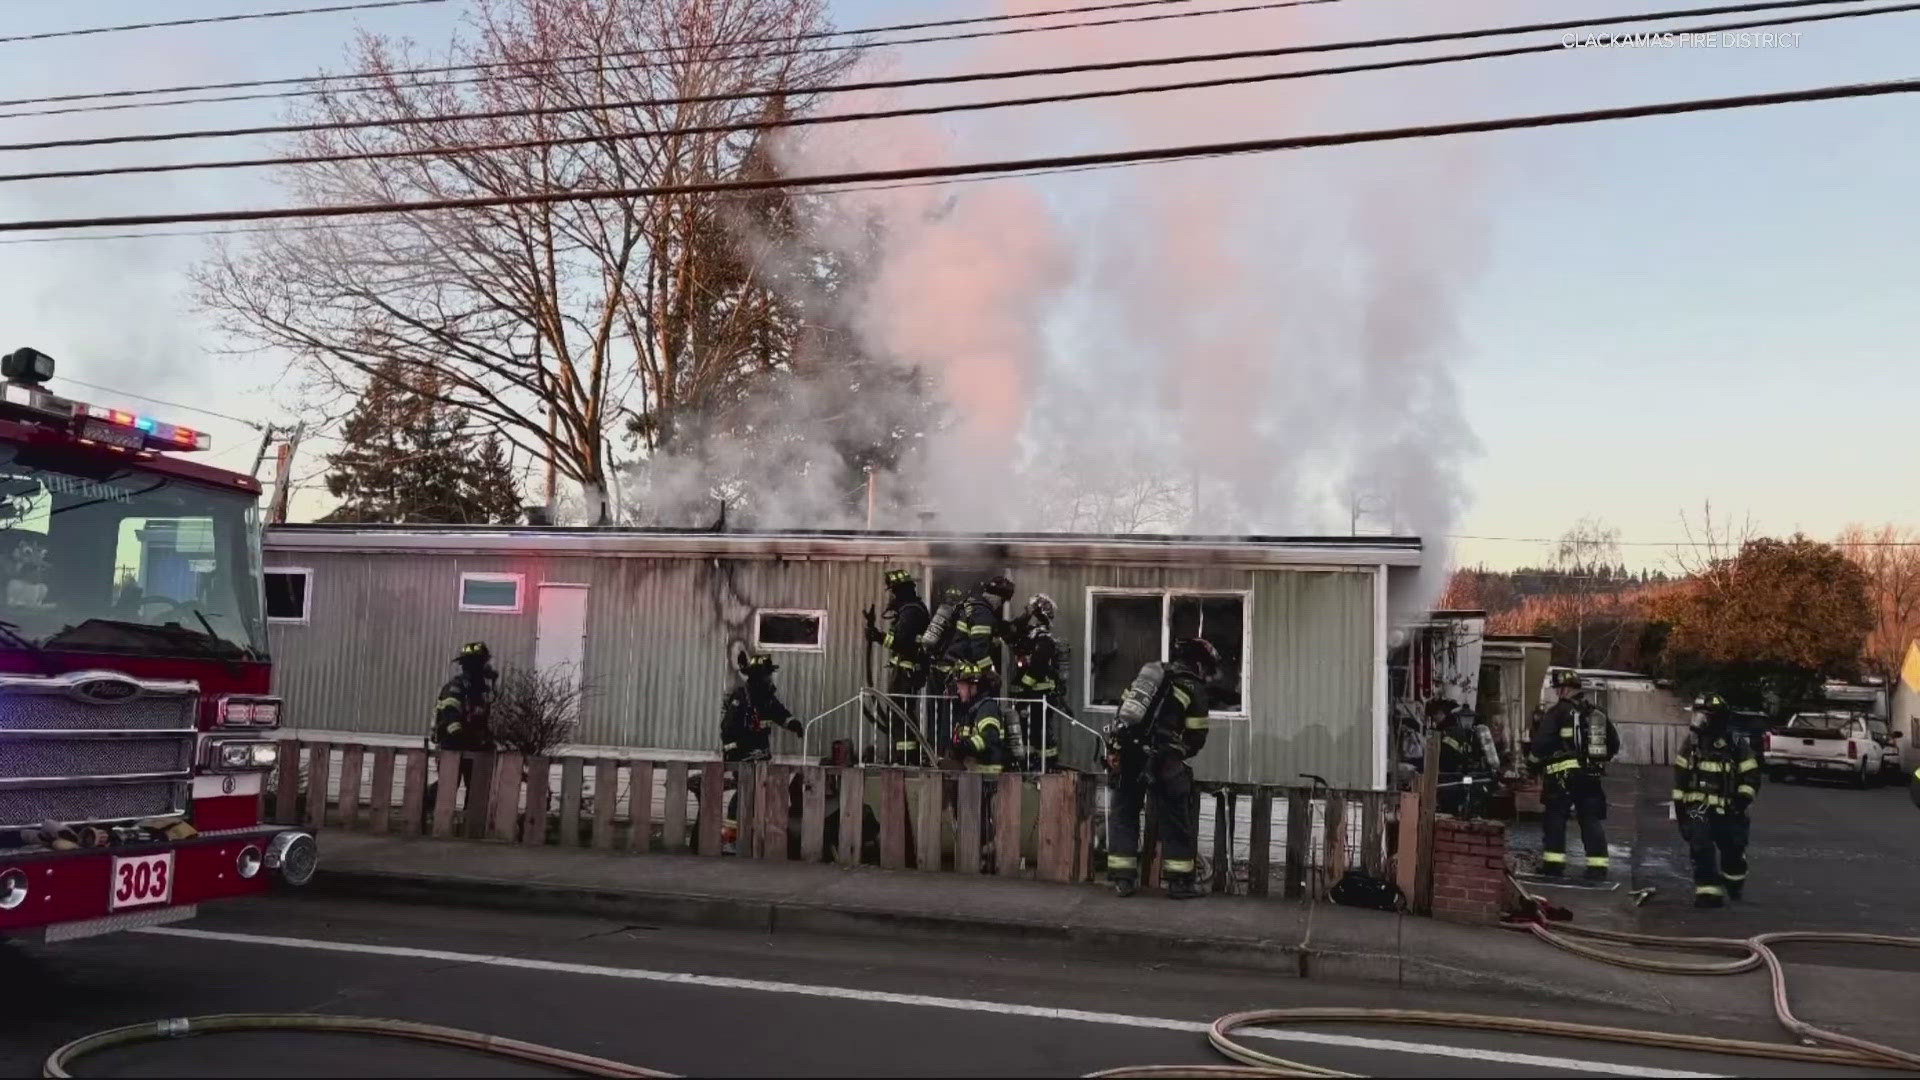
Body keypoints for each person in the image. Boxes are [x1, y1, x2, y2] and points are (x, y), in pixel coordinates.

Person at [1104, 638, 1217, 900]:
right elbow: (1197, 736)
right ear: (1199, 664)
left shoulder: (1148, 678)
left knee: (1124, 814)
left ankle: (1123, 880)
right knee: (1175, 819)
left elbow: (1122, 711)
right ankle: (1179, 883)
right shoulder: (1193, 686)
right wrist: (1180, 753)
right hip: (1164, 758)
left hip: (1129, 751)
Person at [1529, 670, 1620, 881]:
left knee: (1555, 819)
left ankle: (1554, 865)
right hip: (1590, 776)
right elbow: (1614, 744)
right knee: (1590, 819)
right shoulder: (1596, 713)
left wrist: (1531, 765)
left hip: (1561, 778)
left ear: (1563, 688)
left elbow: (1540, 745)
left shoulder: (1557, 713)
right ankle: (1597, 868)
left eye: (1557, 689)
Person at [1673, 693, 1761, 908]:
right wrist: (1681, 814)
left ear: (1718, 717)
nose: (1698, 720)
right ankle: (1708, 892)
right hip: (1698, 809)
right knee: (1700, 845)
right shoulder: (1692, 744)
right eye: (1697, 715)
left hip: (1730, 809)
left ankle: (1734, 882)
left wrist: (1741, 800)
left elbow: (1751, 774)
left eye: (1704, 715)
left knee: (1732, 851)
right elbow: (1680, 779)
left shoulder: (1735, 743)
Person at [719, 652, 803, 854]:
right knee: (742, 797)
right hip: (743, 757)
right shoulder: (742, 698)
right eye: (767, 675)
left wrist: (794, 725)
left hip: (762, 756)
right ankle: (730, 839)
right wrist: (732, 754)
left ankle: (757, 838)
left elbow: (780, 714)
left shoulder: (767, 698)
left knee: (762, 796)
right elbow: (727, 728)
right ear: (758, 677)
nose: (770, 679)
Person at [866, 569, 932, 764]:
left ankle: (906, 759)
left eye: (894, 591)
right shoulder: (910, 610)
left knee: (901, 716)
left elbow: (901, 643)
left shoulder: (912, 611)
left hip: (907, 674)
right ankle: (904, 757)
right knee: (900, 716)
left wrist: (877, 636)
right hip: (905, 673)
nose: (892, 596)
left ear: (901, 591)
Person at [429, 641, 497, 807]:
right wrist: (466, 739)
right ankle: (426, 807)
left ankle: (470, 822)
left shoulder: (482, 690)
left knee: (476, 787)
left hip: (473, 745)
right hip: (452, 745)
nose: (485, 668)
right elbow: (451, 718)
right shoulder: (456, 687)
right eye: (482, 663)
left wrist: (486, 739)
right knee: (449, 785)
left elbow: (484, 717)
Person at [1007, 593, 1067, 771]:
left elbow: (1037, 668)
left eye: (1033, 611)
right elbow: (1010, 633)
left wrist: (1025, 689)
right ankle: (1028, 762)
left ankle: (1046, 764)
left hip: (1039, 697)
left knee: (1039, 732)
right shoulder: (1029, 634)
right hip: (1027, 696)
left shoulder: (1044, 640)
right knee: (1025, 732)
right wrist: (1025, 615)